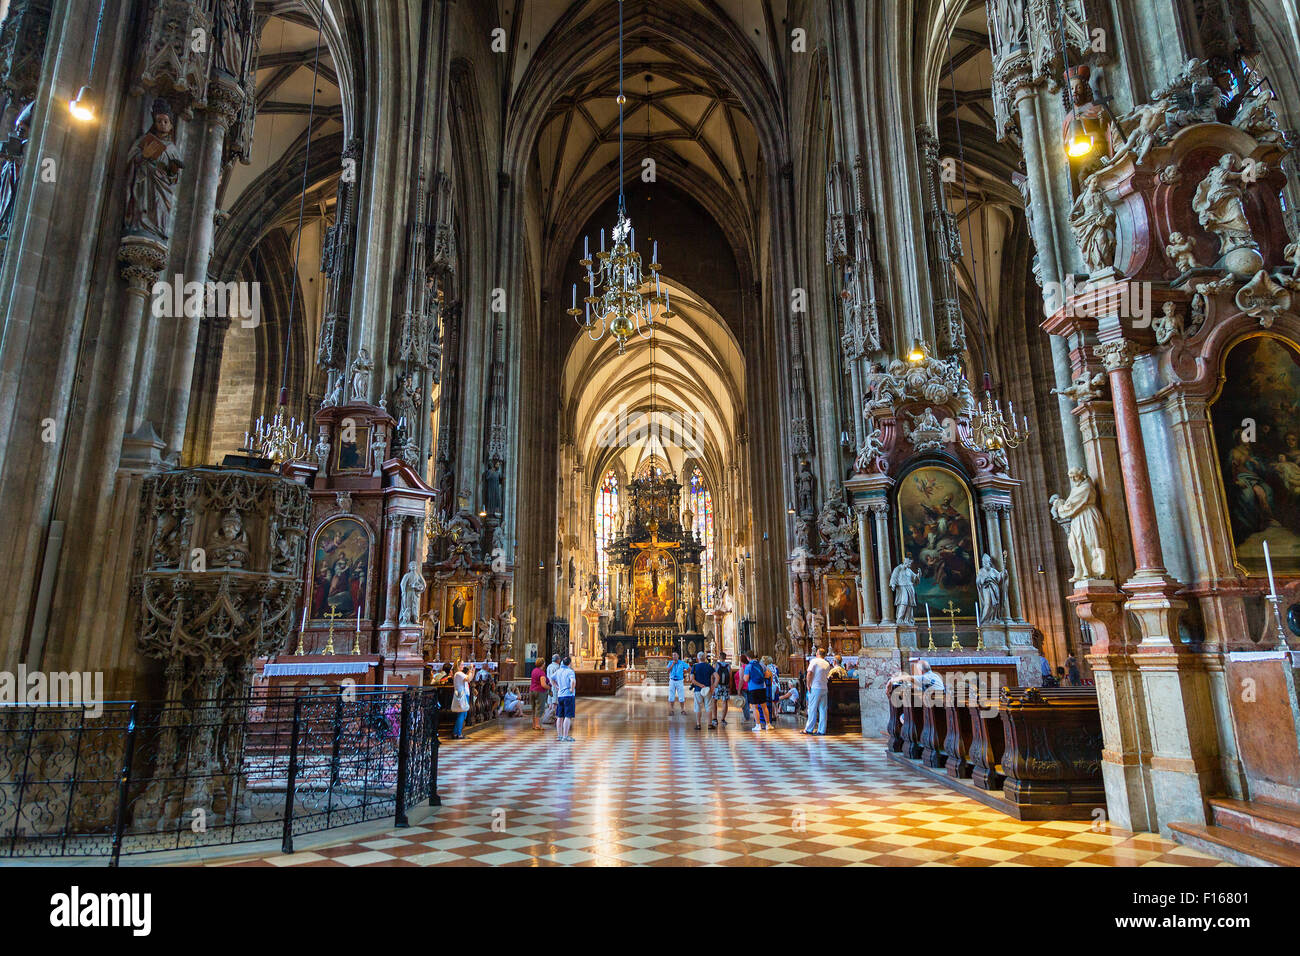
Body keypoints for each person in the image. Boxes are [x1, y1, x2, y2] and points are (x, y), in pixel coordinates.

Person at [803, 647, 831, 736]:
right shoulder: (827, 663)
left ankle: (809, 729)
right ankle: (822, 730)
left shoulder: (814, 661)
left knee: (812, 708)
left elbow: (809, 673)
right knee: (823, 709)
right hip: (824, 687)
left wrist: (808, 685)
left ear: (817, 653)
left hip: (815, 687)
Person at [553, 655, 577, 742]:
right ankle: (565, 736)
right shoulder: (570, 671)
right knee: (567, 716)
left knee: (560, 716)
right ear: (569, 663)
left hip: (560, 696)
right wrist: (572, 688)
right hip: (568, 696)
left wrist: (556, 686)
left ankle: (559, 735)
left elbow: (552, 678)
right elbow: (573, 681)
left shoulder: (558, 671)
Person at [745, 653, 771, 731]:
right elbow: (768, 675)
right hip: (762, 687)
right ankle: (768, 724)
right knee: (764, 706)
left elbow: (746, 679)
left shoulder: (748, 666)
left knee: (755, 707)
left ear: (748, 657)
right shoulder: (761, 665)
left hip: (753, 688)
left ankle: (758, 725)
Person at [451, 662, 475, 739]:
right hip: (462, 695)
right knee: (462, 714)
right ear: (457, 666)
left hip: (462, 694)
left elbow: (470, 679)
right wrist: (471, 669)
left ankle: (455, 732)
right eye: (461, 664)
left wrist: (472, 670)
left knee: (462, 714)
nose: (463, 666)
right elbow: (468, 679)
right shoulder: (458, 673)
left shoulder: (459, 674)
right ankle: (458, 733)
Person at [690, 652, 714, 730]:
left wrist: (700, 685)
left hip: (698, 690)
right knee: (708, 706)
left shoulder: (694, 667)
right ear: (705, 658)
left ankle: (698, 724)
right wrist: (713, 686)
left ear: (698, 658)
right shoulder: (709, 666)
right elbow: (717, 677)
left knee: (698, 707)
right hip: (707, 689)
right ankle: (710, 724)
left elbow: (692, 680)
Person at [711, 652, 732, 728]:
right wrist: (730, 687)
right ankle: (723, 719)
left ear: (719, 657)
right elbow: (730, 677)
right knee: (725, 702)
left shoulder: (716, 665)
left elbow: (713, 676)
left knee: (714, 701)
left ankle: (714, 719)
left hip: (717, 686)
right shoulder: (728, 666)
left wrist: (712, 685)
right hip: (725, 686)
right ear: (725, 658)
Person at [530, 658, 549, 731]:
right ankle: (537, 725)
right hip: (540, 691)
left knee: (534, 708)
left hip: (532, 690)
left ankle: (534, 725)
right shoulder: (541, 673)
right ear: (543, 664)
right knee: (539, 708)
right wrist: (549, 687)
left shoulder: (534, 670)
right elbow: (543, 684)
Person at [666, 651, 687, 716]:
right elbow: (668, 671)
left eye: (675, 655)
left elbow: (689, 668)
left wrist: (684, 672)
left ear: (678, 656)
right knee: (671, 696)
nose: (674, 656)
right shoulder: (670, 663)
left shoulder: (682, 663)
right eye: (673, 655)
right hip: (672, 681)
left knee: (681, 696)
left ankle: (683, 710)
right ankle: (671, 710)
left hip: (679, 681)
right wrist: (672, 664)